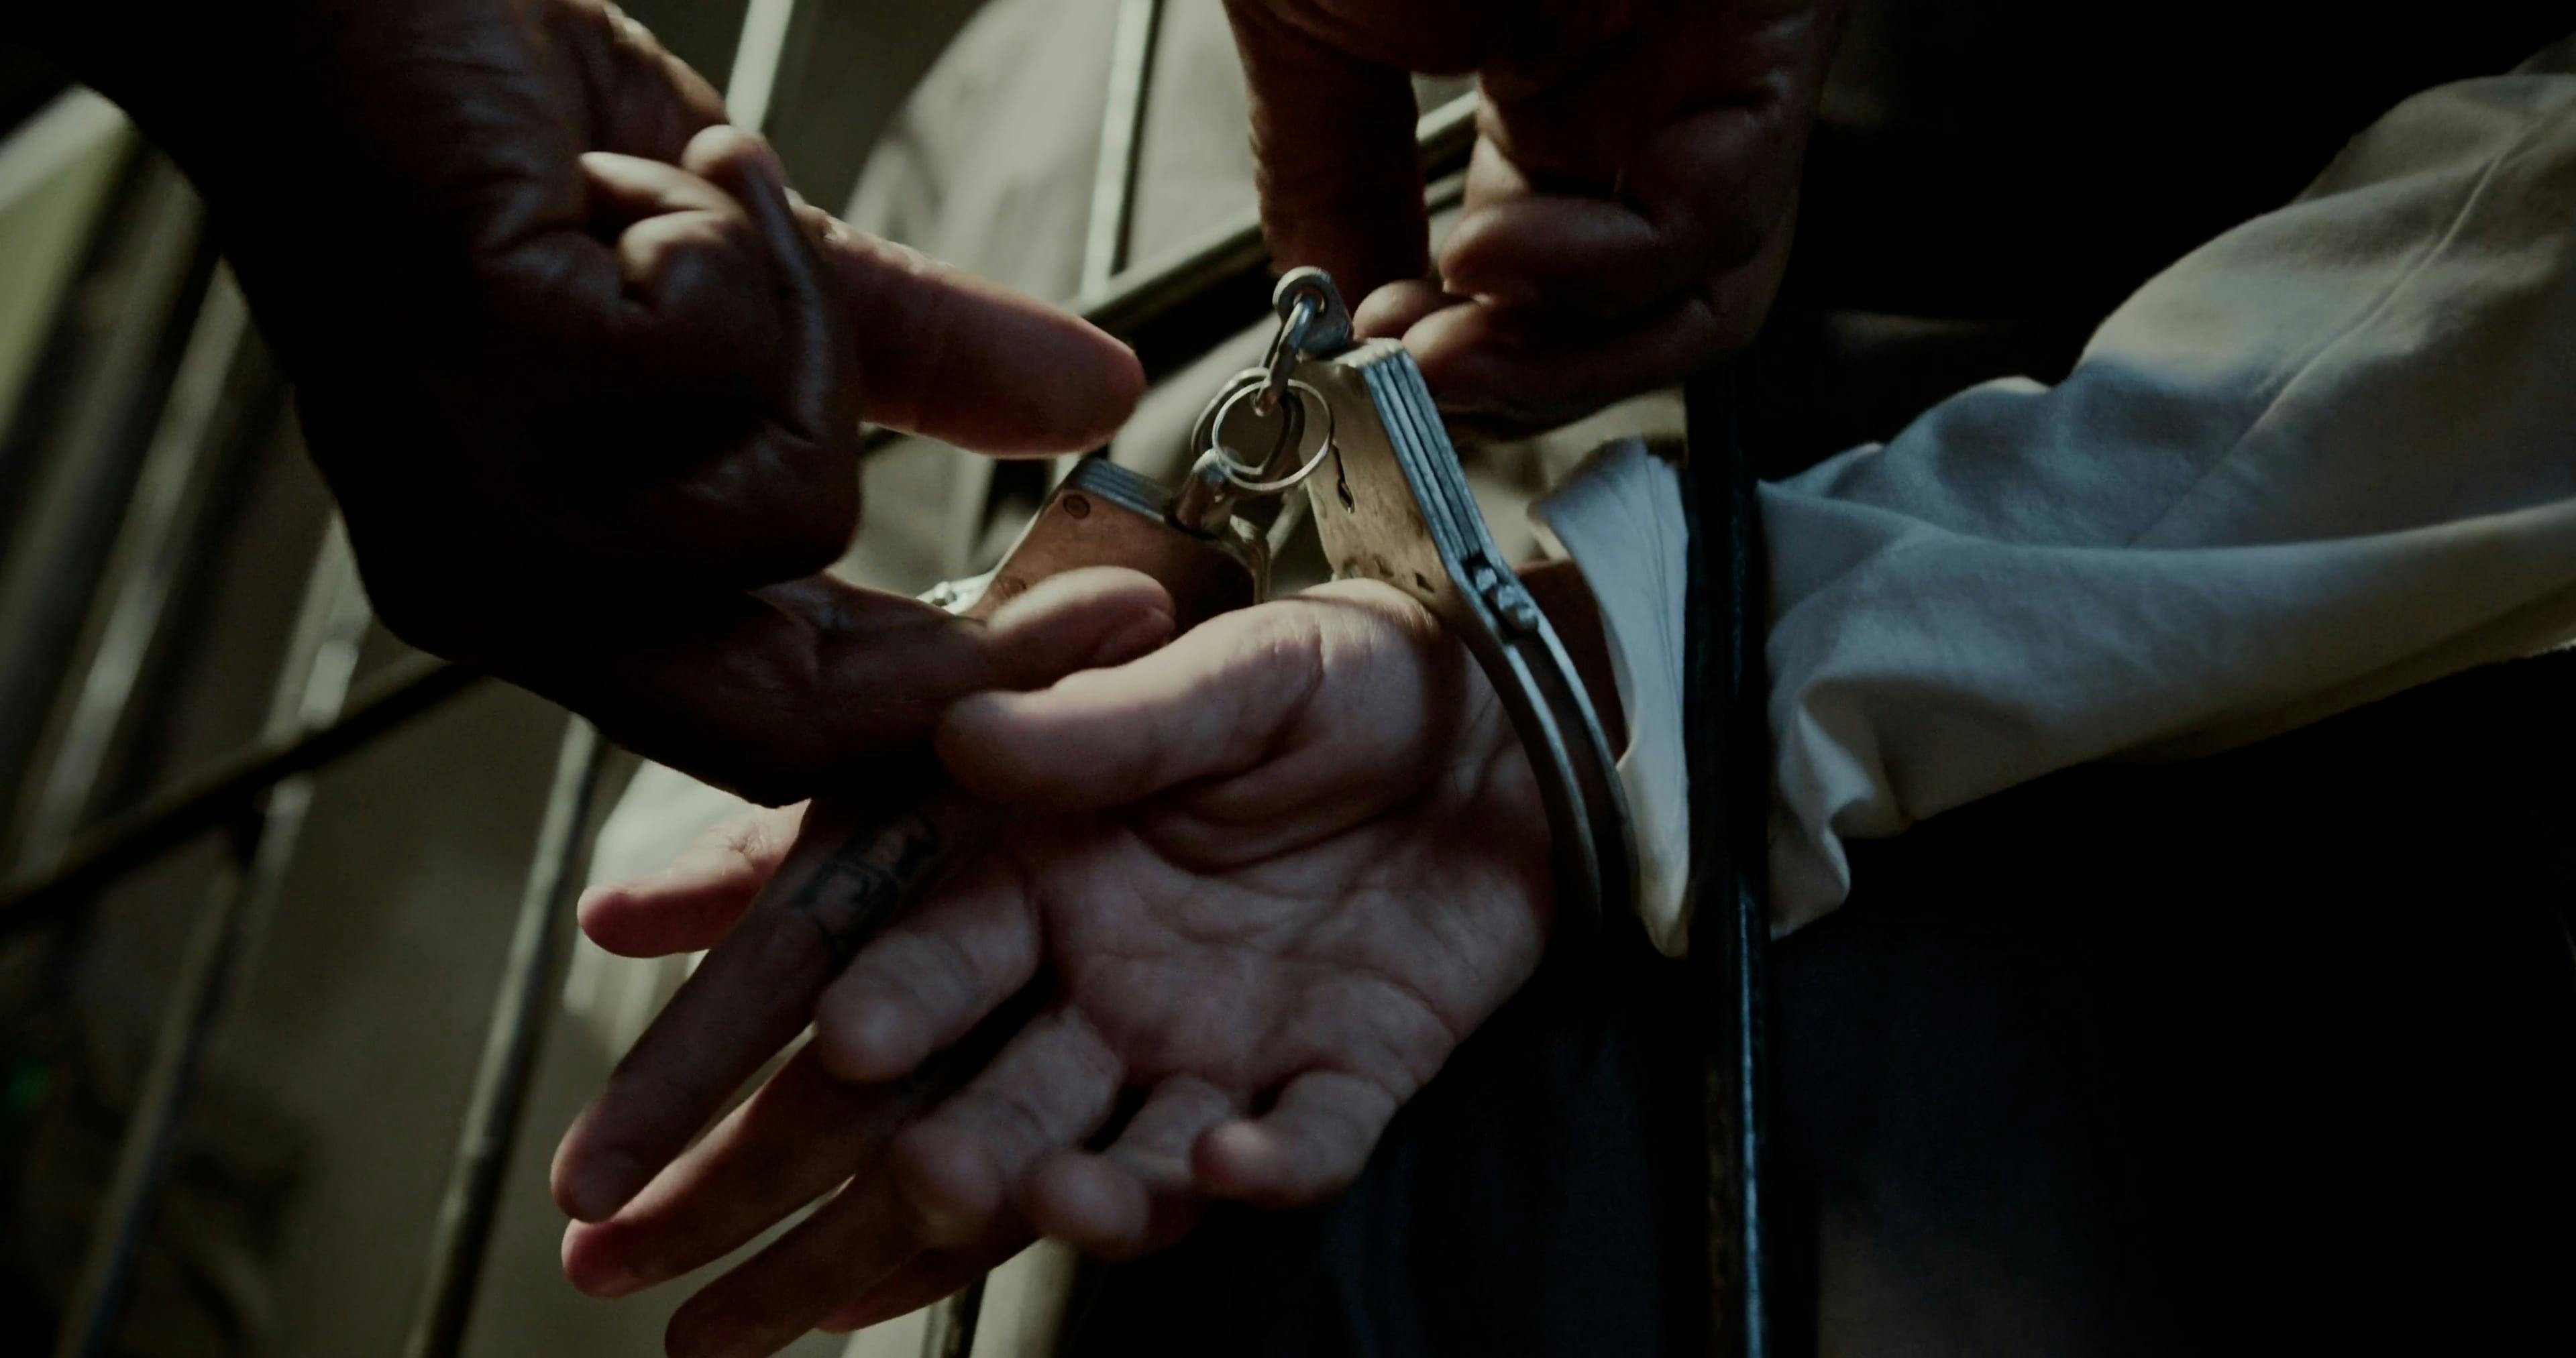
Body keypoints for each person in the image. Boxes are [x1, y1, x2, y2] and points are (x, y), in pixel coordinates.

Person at [553, 7, 2576, 1358]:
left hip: (2085, 1044)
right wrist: (1001, 701)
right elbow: (675, 870)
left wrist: (1681, 645)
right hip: (1165, 1212)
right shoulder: (1012, 83)